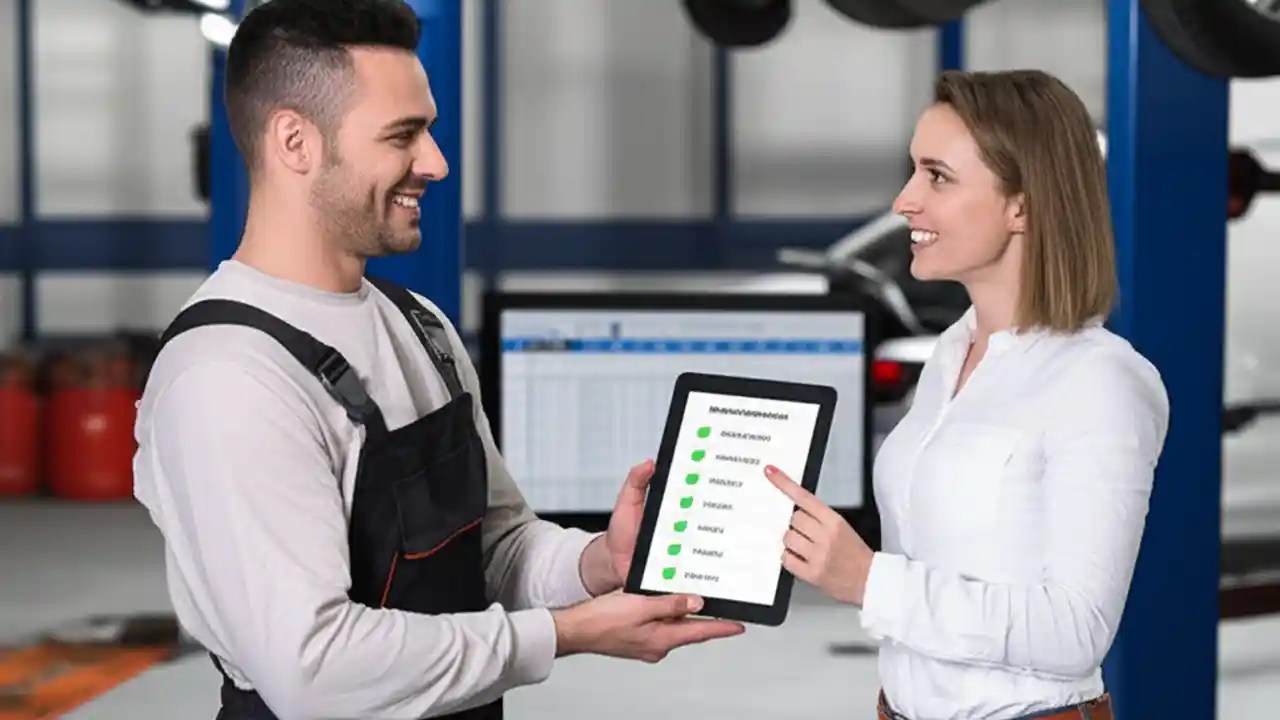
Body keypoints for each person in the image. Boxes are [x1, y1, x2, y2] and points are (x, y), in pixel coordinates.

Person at [131, 1, 744, 718]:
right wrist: (566, 634)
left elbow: (495, 548)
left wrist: (599, 563)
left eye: (430, 130)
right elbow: (313, 670)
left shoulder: (419, 327)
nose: (436, 163)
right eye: (403, 135)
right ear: (295, 142)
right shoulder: (229, 377)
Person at [763, 70, 1169, 720]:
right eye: (912, 172)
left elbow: (1076, 631)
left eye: (937, 176)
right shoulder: (951, 356)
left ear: (1023, 205)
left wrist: (869, 580)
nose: (904, 201)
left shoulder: (1100, 382)